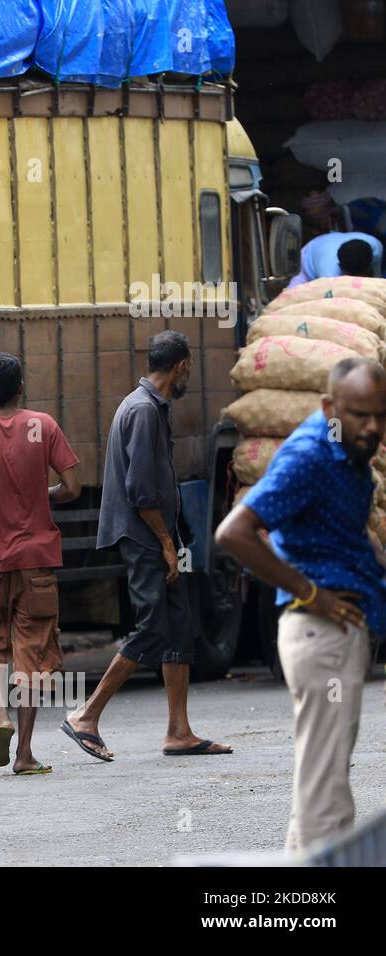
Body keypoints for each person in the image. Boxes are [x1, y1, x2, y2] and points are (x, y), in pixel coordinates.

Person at [216, 357, 386, 853]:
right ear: (331, 408)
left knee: (320, 793)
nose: (372, 427)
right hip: (321, 637)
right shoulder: (311, 455)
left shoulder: (348, 459)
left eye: (380, 414)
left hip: (340, 634)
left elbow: (348, 538)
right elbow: (234, 532)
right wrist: (313, 594)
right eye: (359, 415)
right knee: (326, 802)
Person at [62, 331, 233, 761]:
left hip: (159, 537)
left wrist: (173, 539)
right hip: (143, 538)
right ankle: (86, 715)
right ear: (180, 366)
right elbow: (140, 490)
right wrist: (165, 543)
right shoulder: (141, 411)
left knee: (179, 627)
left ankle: (179, 731)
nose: (188, 374)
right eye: (189, 367)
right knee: (151, 628)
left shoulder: (151, 407)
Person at [0, 353, 80, 775]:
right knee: (34, 654)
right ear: (21, 385)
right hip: (37, 560)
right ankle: (24, 754)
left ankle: (0, 716)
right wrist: (43, 494)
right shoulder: (43, 426)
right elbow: (73, 487)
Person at [286, 233, 382, 288]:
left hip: (328, 243)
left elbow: (377, 282)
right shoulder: (328, 274)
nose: (359, 280)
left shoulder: (376, 248)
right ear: (339, 267)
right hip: (308, 259)